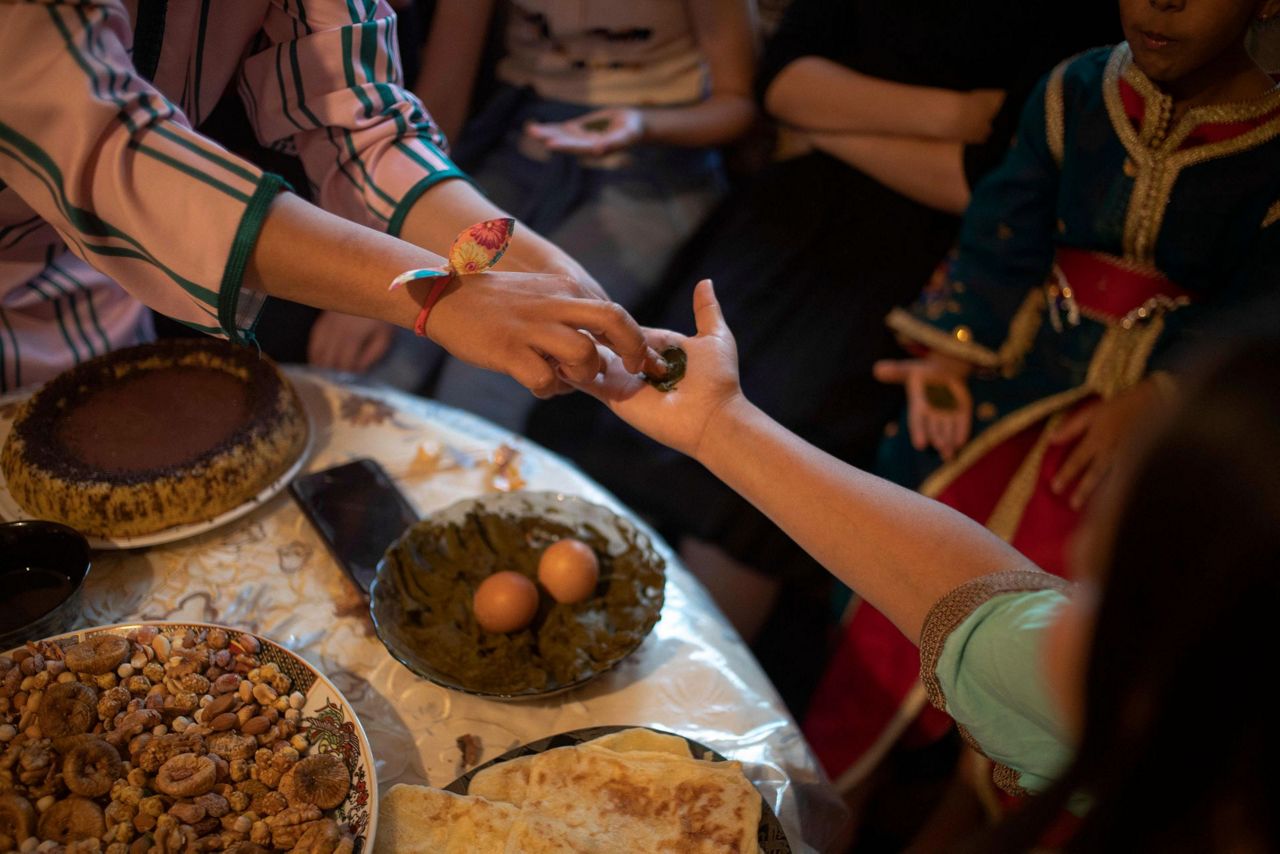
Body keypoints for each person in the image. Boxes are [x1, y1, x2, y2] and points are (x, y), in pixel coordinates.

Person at [524, 0, 1116, 743]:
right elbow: (783, 87)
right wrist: (958, 114)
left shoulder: (1077, 27)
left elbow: (991, 180)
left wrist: (831, 124)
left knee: (768, 467)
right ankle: (552, 667)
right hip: (790, 213)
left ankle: (662, 724)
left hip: (921, 263)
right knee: (634, 399)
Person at [576, 279, 1280, 851]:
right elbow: (979, 604)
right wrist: (718, 426)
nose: (1060, 585)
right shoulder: (1186, 727)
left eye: (1099, 588)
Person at [810, 0, 1280, 807]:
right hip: (1018, 371)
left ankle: (981, 804)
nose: (1161, 4)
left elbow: (1259, 311)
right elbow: (1003, 231)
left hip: (1148, 423)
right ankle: (843, 781)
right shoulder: (1075, 89)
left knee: (1064, 612)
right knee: (905, 519)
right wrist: (949, 351)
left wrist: (1160, 397)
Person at [0, 1, 661, 395]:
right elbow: (113, 149)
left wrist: (540, 269)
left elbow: (364, 121)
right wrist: (437, 298)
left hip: (105, 286)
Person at [411, 0, 757, 430]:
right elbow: (436, 103)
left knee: (493, 374)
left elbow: (738, 104)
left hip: (654, 166)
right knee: (399, 333)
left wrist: (640, 123)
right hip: (524, 144)